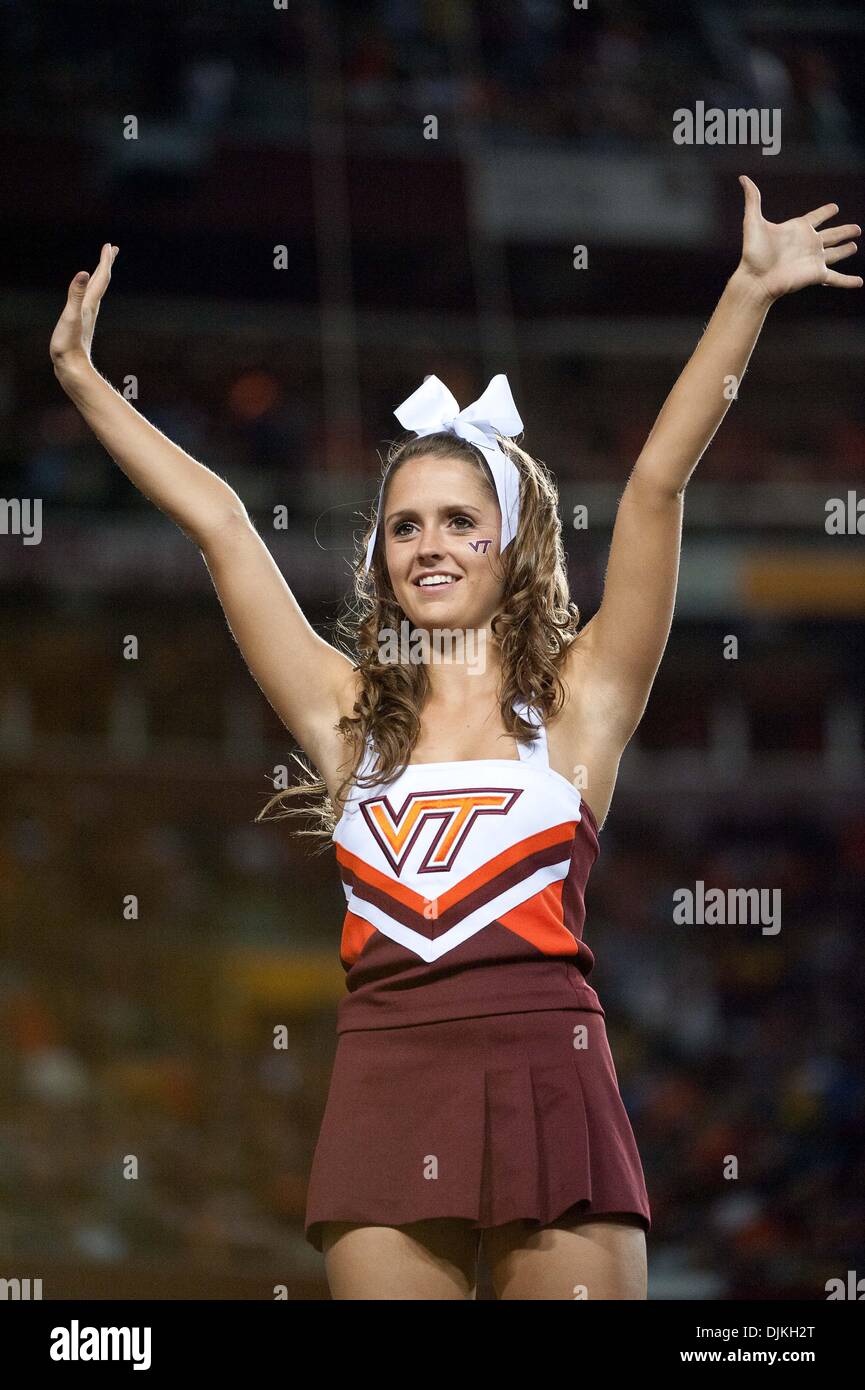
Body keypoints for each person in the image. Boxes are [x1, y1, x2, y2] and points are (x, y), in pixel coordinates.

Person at [50, 177, 860, 1299]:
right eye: (404, 526)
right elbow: (224, 526)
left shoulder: (579, 705)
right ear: (380, 554)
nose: (429, 546)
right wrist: (85, 383)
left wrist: (747, 294)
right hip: (388, 1076)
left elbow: (656, 486)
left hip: (550, 1072)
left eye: (459, 523)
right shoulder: (344, 719)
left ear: (510, 545)